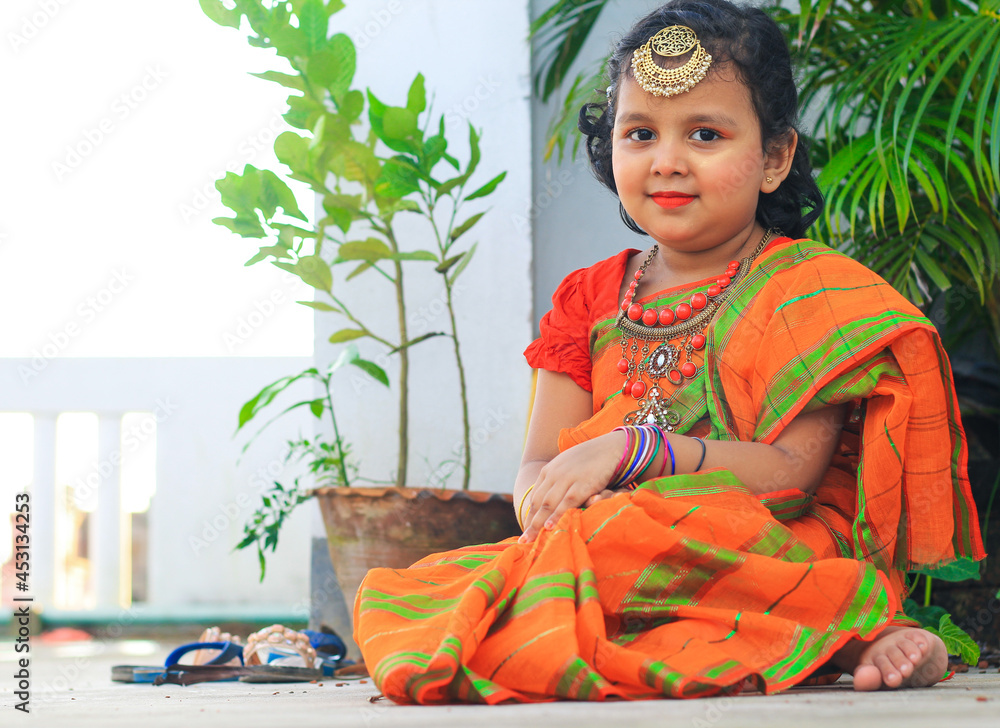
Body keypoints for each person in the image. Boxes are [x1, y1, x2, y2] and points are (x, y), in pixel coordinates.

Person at [353, 0, 985, 703]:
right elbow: (537, 464)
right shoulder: (588, 299)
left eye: (706, 134)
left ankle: (851, 632)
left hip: (758, 545)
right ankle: (796, 643)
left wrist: (635, 453)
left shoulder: (810, 292)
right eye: (641, 133)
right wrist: (544, 507)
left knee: (644, 540)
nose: (668, 161)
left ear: (775, 157)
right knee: (434, 596)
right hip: (611, 550)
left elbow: (789, 480)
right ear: (612, 147)